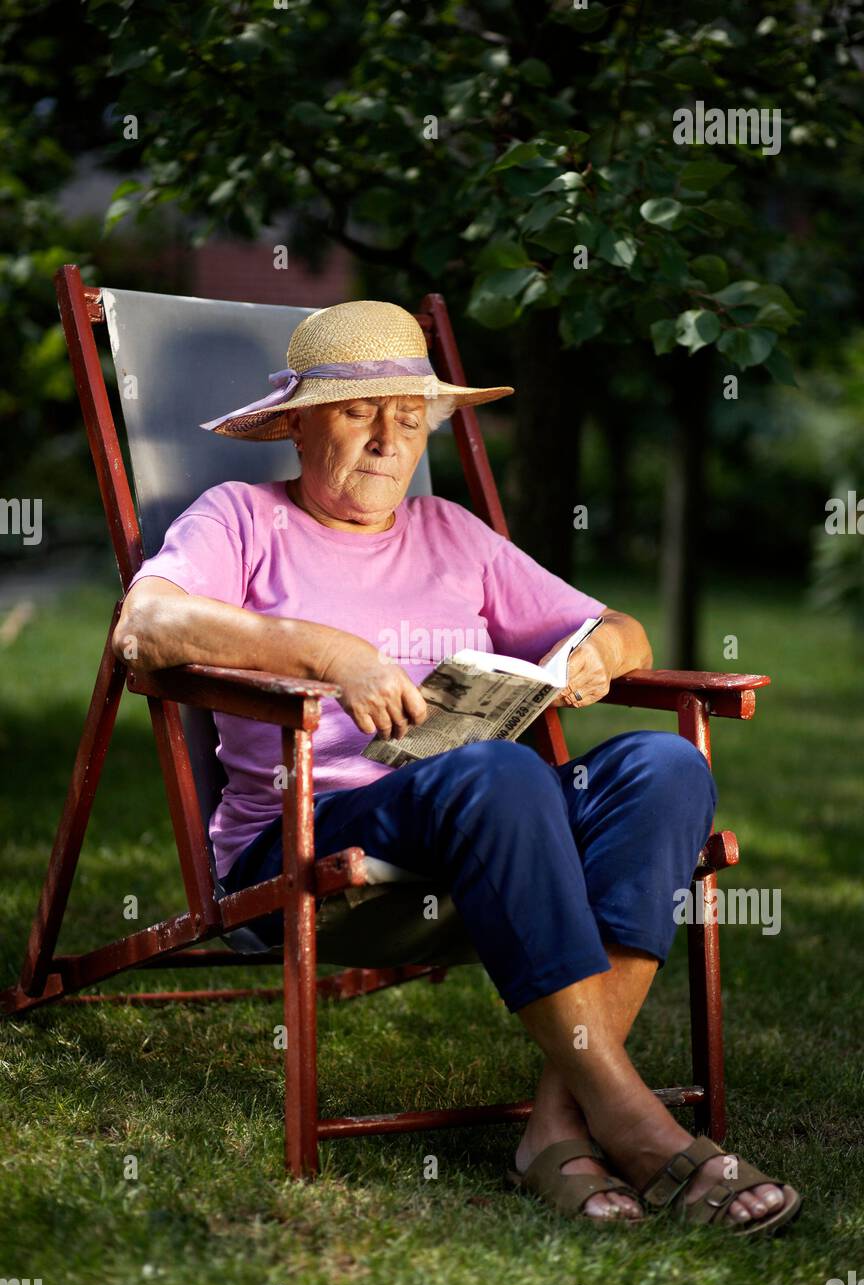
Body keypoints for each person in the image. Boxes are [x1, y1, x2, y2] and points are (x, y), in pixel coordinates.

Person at [112, 299, 802, 1235]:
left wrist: (604, 649)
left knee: (666, 768)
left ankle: (557, 1126)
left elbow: (617, 627)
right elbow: (145, 630)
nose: (392, 435)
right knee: (500, 774)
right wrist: (330, 655)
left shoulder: (451, 531)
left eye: (411, 412)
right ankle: (638, 1127)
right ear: (299, 422)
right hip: (311, 831)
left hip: (483, 822)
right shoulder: (240, 518)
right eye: (360, 411)